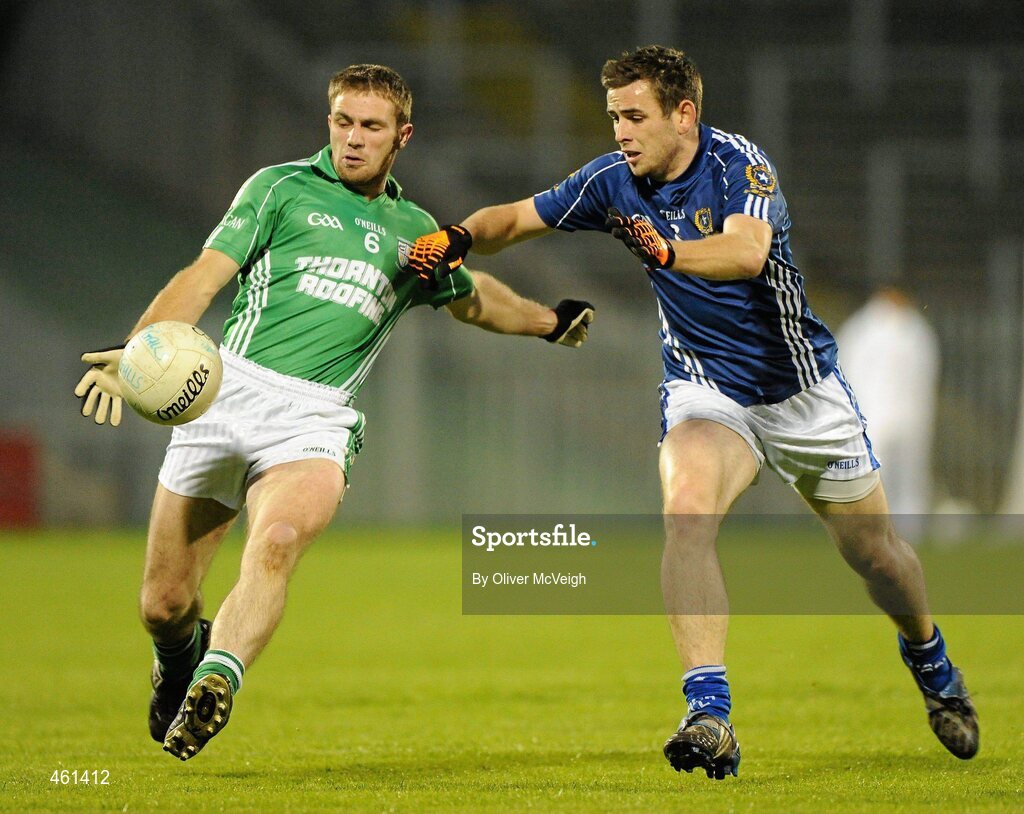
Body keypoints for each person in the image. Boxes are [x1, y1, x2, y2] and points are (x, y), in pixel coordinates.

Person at [405, 46, 977, 779]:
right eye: (614, 116)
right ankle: (709, 712)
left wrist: (670, 253)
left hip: (802, 397)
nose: (621, 131)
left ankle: (929, 658)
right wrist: (455, 237)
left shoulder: (740, 165)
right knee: (687, 510)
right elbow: (517, 217)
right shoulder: (613, 181)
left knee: (877, 559)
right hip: (709, 392)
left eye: (635, 115)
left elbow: (746, 252)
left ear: (684, 115)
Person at [73, 64, 595, 762]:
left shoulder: (414, 230)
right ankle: (179, 659)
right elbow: (203, 277)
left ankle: (218, 680)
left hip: (315, 420)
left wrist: (547, 320)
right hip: (226, 394)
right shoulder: (278, 189)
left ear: (401, 136)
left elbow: (473, 299)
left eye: (370, 126)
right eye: (342, 121)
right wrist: (139, 349)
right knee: (163, 605)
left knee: (278, 541)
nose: (352, 139)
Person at [836, 285, 941, 523]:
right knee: (876, 474)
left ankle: (910, 528)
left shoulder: (914, 328)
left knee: (910, 476)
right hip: (876, 413)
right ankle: (875, 526)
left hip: (909, 414)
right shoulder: (863, 328)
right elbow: (846, 370)